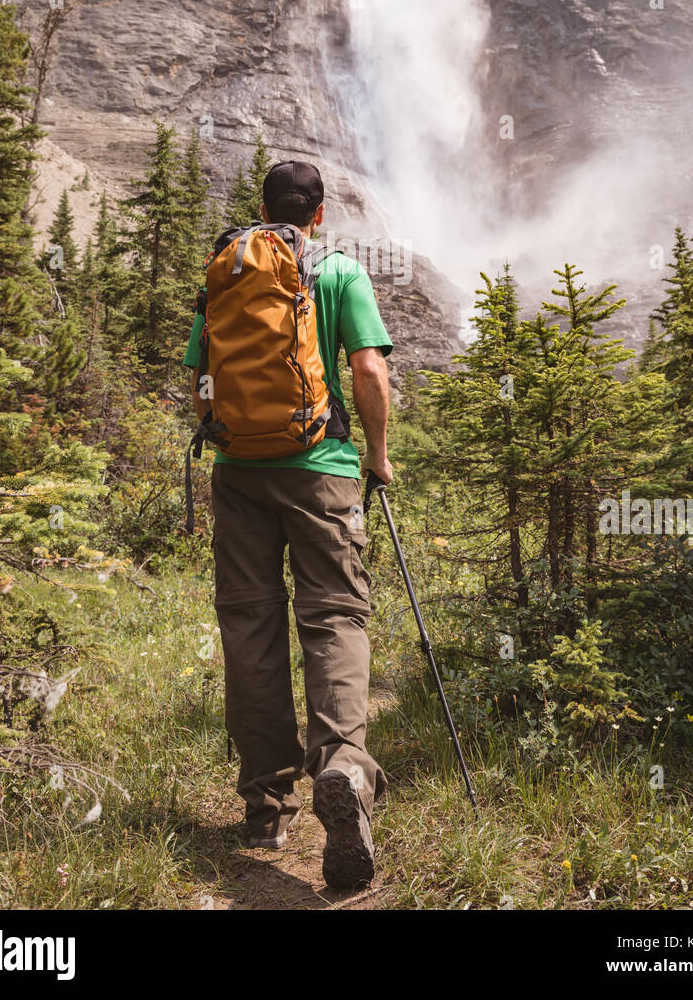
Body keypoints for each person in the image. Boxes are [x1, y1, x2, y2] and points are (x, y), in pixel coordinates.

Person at [182, 160, 393, 889]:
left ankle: (266, 808)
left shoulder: (230, 271)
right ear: (320, 213)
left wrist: (228, 436)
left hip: (239, 471)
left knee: (250, 624)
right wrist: (378, 456)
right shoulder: (338, 272)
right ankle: (343, 768)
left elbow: (201, 374)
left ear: (266, 209)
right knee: (334, 615)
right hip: (322, 467)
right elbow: (367, 371)